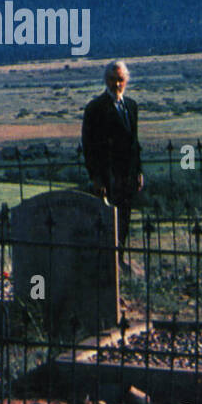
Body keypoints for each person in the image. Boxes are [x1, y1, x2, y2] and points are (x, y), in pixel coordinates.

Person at [81, 59, 143, 261]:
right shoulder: (96, 108)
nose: (116, 84)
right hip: (109, 176)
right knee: (109, 221)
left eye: (120, 80)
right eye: (112, 80)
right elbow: (89, 147)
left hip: (128, 175)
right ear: (105, 81)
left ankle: (120, 259)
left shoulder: (131, 106)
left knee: (125, 219)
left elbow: (134, 142)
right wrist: (96, 178)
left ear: (126, 81)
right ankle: (108, 263)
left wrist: (139, 171)